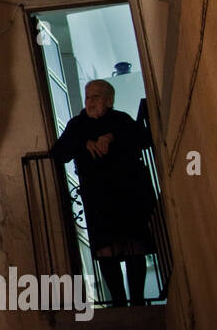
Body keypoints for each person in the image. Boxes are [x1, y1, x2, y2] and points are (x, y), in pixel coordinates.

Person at [51, 80, 156, 307]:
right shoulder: (77, 125)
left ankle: (137, 301)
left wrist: (112, 137)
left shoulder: (121, 120)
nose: (90, 101)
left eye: (96, 96)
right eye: (88, 97)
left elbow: (145, 138)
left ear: (109, 101)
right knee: (107, 251)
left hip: (128, 194)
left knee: (133, 246)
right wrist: (84, 142)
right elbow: (58, 153)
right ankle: (118, 302)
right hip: (98, 198)